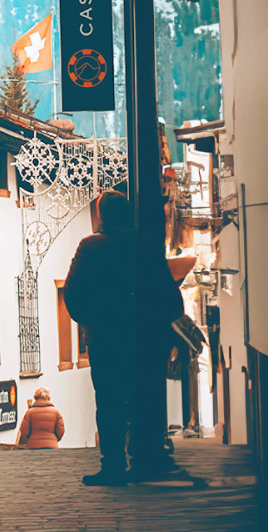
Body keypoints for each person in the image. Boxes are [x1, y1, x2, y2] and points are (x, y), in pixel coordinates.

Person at [64, 190, 181, 485]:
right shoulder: (147, 245)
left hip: (105, 339)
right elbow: (170, 297)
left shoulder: (90, 247)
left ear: (102, 215)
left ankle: (114, 466)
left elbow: (72, 293)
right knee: (144, 397)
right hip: (147, 337)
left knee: (110, 402)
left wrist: (94, 320)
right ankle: (144, 459)